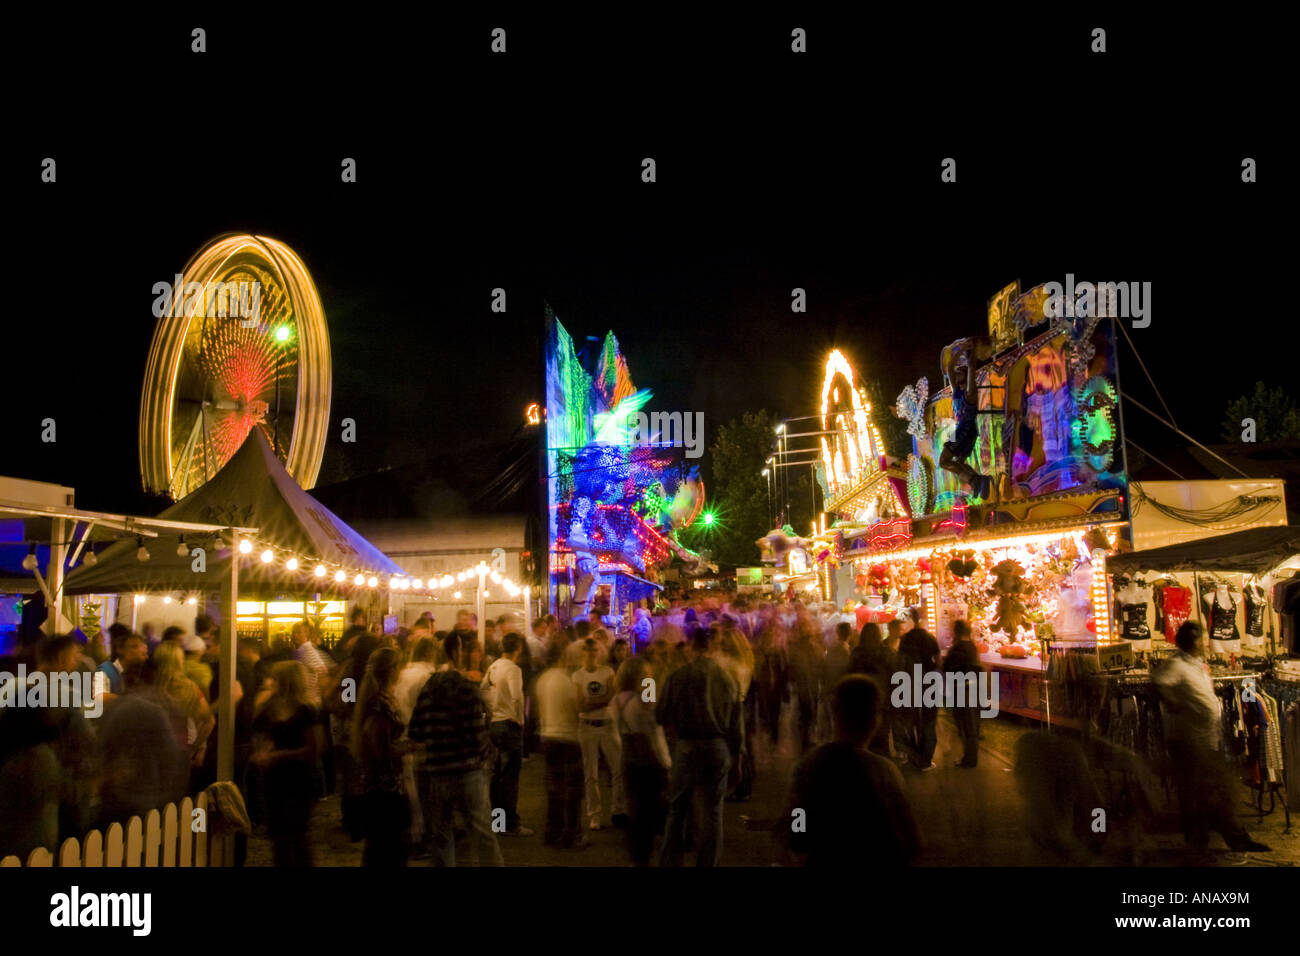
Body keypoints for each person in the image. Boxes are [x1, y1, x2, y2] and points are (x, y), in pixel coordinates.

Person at [1153, 621, 1270, 856]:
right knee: (1203, 792)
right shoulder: (1176, 664)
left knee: (1212, 791)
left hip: (1207, 738)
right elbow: (1158, 684)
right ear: (1192, 641)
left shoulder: (1196, 665)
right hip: (1190, 741)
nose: (1205, 642)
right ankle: (1210, 842)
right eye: (1202, 638)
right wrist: (1175, 704)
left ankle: (1217, 840)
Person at [783, 674, 921, 867]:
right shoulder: (884, 772)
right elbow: (911, 840)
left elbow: (796, 825)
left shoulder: (807, 765)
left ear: (835, 713)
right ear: (874, 720)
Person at [407, 632, 503, 866]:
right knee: (483, 834)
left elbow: (416, 732)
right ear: (458, 654)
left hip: (438, 772)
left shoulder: (428, 689)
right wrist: (488, 756)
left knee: (441, 836)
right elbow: (477, 735)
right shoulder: (468, 689)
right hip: (468, 771)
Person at [655, 627, 743, 866]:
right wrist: (738, 758)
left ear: (691, 646)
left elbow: (660, 713)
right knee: (713, 811)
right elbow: (737, 725)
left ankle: (671, 861)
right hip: (718, 746)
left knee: (678, 809)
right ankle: (708, 862)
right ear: (711, 647)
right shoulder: (727, 678)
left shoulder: (678, 676)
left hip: (687, 745)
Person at [250, 660, 321, 866]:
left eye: (275, 678)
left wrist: (278, 755)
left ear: (286, 681)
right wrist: (263, 752)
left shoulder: (306, 711)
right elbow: (263, 735)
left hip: (299, 778)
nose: (271, 681)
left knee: (298, 835)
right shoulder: (270, 708)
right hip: (274, 779)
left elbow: (314, 749)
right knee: (278, 836)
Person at [353, 646, 411, 866]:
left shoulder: (383, 699)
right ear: (393, 670)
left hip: (386, 783)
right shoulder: (379, 705)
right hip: (382, 787)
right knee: (386, 845)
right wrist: (408, 747)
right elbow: (381, 748)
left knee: (383, 845)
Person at [613, 656, 671, 865]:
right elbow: (653, 733)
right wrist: (666, 765)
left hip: (629, 760)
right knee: (650, 813)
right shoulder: (641, 701)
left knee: (636, 811)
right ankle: (646, 855)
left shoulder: (617, 700)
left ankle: (637, 855)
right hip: (649, 762)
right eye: (647, 673)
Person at [481, 633, 533, 837]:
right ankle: (510, 823)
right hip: (509, 725)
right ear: (518, 648)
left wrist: (492, 709)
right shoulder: (513, 669)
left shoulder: (493, 667)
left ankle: (498, 823)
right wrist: (519, 719)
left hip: (495, 724)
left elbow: (483, 690)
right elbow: (517, 697)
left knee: (496, 776)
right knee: (510, 776)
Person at [536, 643, 586, 849]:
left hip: (548, 736)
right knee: (573, 789)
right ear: (562, 658)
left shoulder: (543, 680)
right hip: (568, 737)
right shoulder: (566, 681)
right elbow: (576, 707)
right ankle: (572, 834)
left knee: (554, 788)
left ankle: (552, 831)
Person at [573, 638, 626, 830]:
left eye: (594, 650)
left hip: (607, 725)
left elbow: (612, 695)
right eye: (588, 650)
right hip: (587, 726)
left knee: (618, 769)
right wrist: (602, 701)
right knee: (591, 774)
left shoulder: (607, 672)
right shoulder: (577, 676)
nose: (591, 653)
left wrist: (591, 702)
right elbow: (579, 705)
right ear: (583, 652)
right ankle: (594, 814)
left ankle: (618, 809)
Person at [896, 625, 941, 770]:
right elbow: (938, 661)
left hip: (908, 682)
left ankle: (914, 754)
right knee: (928, 721)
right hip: (928, 682)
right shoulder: (930, 638)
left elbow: (900, 661)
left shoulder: (905, 639)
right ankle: (925, 760)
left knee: (911, 720)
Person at [942, 620, 984, 768]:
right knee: (973, 724)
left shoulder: (957, 649)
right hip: (975, 688)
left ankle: (969, 759)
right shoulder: (972, 647)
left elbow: (947, 668)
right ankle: (971, 757)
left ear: (957, 632)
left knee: (966, 725)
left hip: (961, 689)